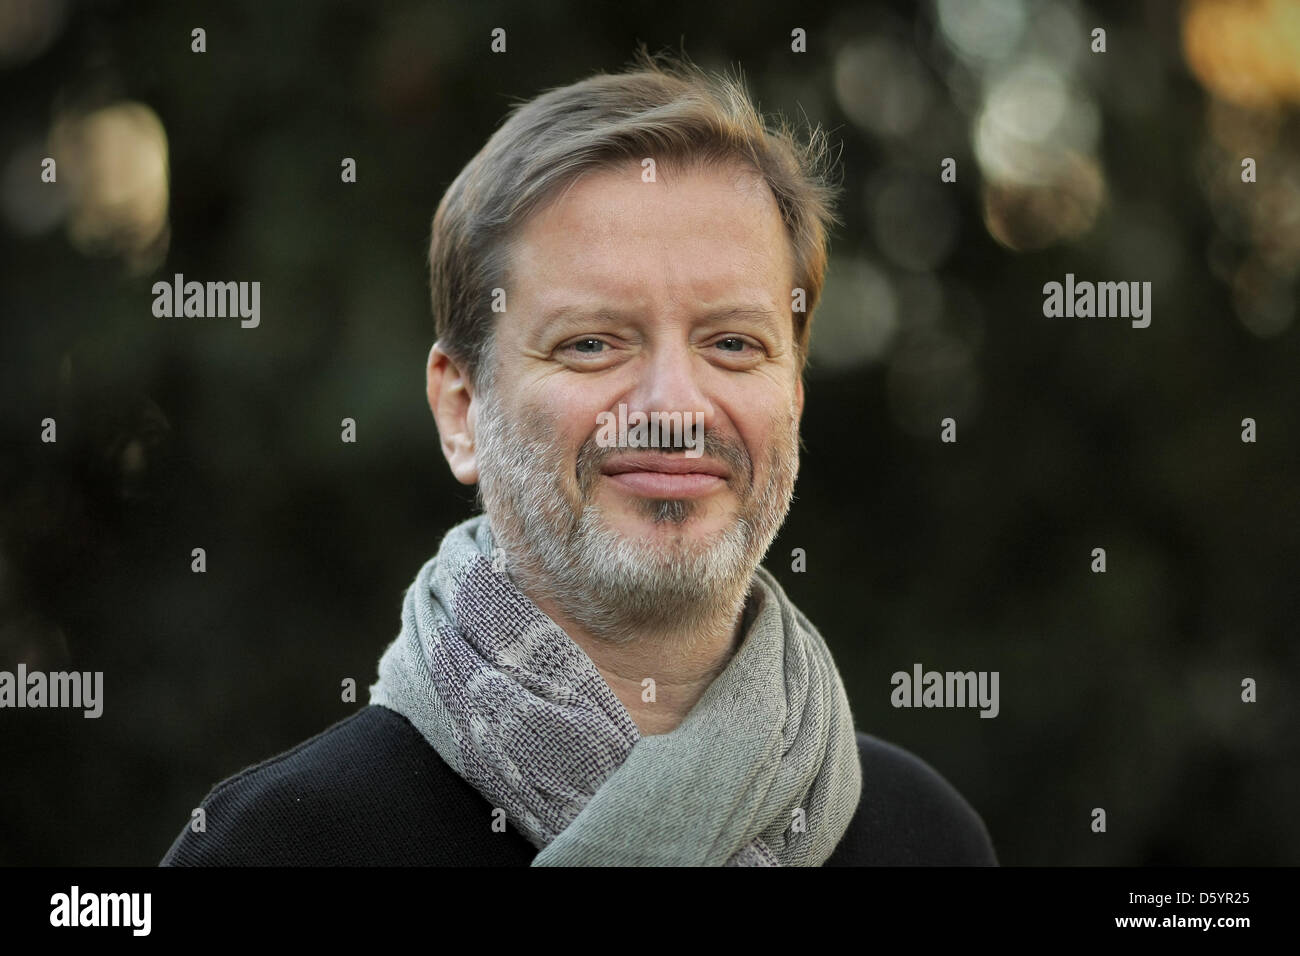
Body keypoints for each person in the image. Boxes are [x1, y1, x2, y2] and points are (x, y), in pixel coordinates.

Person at [161, 49, 997, 867]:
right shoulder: (284, 847)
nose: (674, 408)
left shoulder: (925, 835)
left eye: (735, 344)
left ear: (795, 395)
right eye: (592, 343)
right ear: (461, 410)